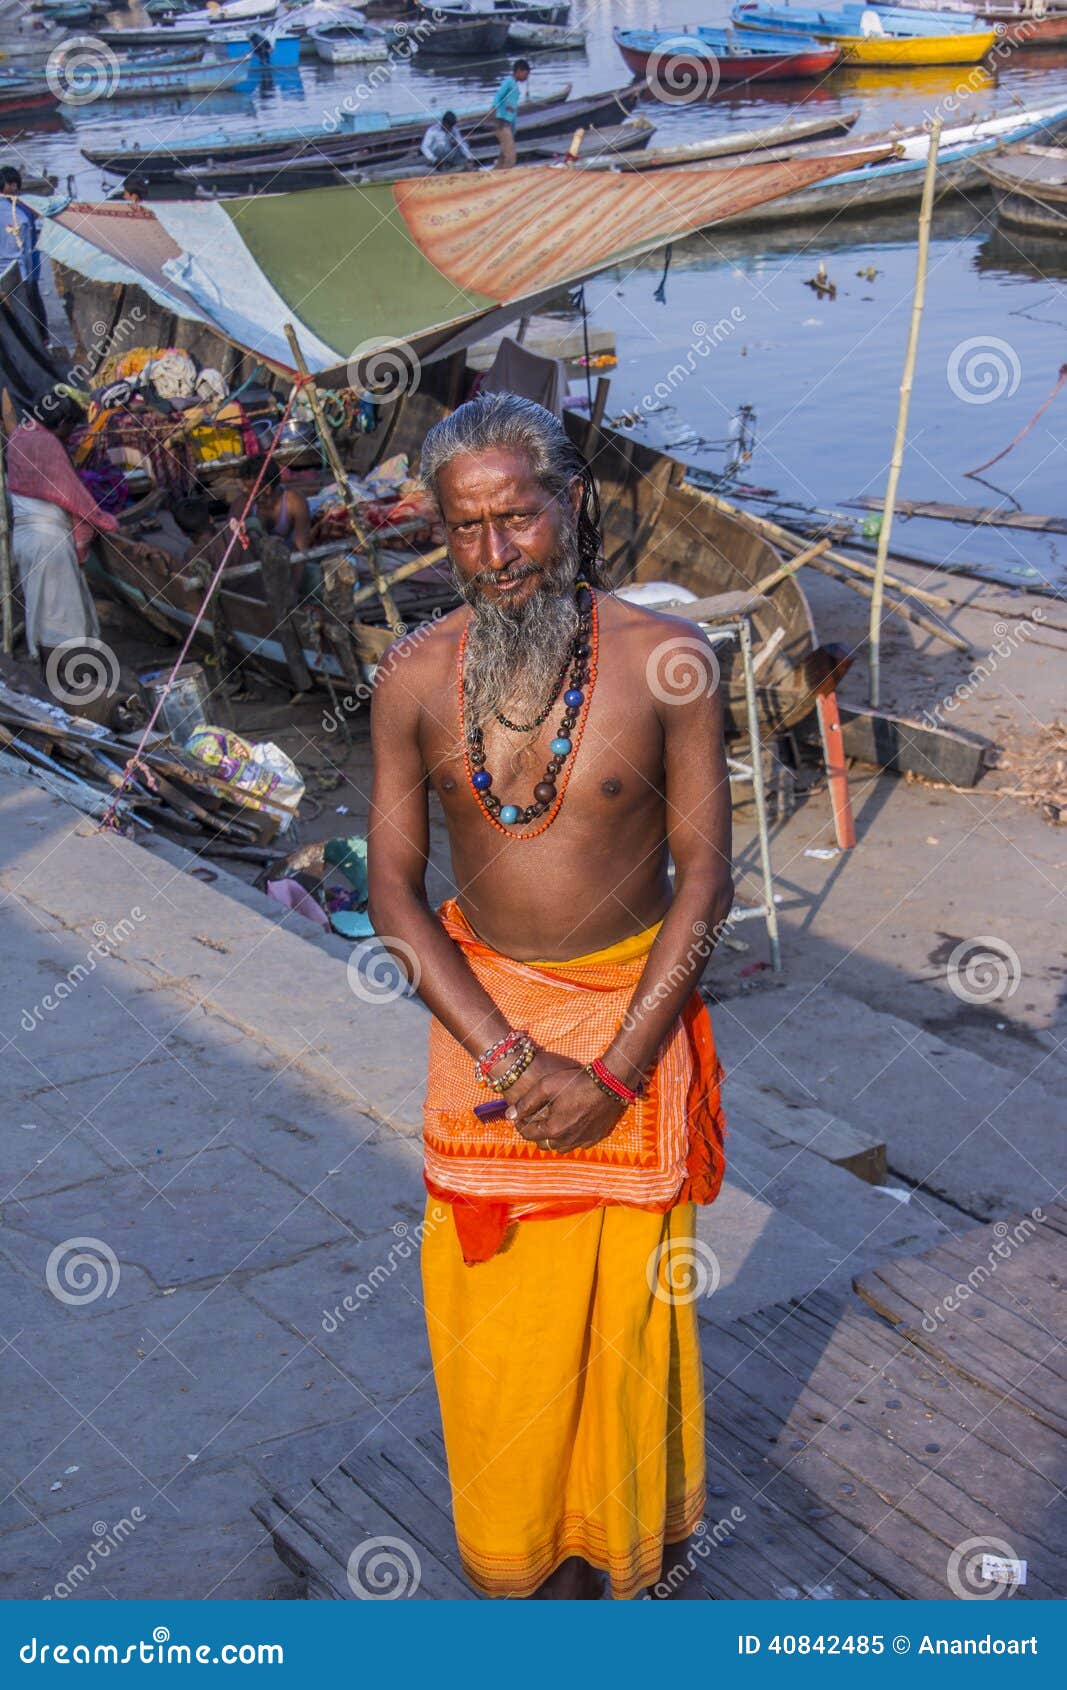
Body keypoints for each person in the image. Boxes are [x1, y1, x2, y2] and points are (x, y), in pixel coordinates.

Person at [367, 393, 732, 1600]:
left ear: (565, 507)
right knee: (499, 1347)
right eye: (465, 531)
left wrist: (617, 1070)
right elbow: (394, 900)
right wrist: (516, 1065)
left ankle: (621, 1570)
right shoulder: (414, 677)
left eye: (514, 521)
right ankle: (522, 1574)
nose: (493, 556)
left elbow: (704, 887)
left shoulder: (666, 660)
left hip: (630, 1028)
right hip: (485, 1042)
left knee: (622, 1340)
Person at [6, 400, 118, 681]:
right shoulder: (46, 445)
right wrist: (105, 521)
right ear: (62, 422)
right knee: (64, 615)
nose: (72, 435)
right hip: (48, 541)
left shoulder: (21, 434)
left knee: (42, 613)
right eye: (71, 427)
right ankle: (77, 685)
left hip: (25, 538)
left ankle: (51, 680)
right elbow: (74, 496)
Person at [0, 165, 47, 337]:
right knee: (24, 303)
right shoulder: (16, 207)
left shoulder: (22, 206)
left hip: (25, 264)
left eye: (16, 184)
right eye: (10, 184)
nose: (14, 188)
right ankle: (38, 338)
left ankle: (41, 338)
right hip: (17, 266)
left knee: (30, 300)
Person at [230, 459, 311, 555]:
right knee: (252, 523)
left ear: (267, 489)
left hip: (289, 559)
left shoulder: (295, 502)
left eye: (248, 487)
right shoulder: (241, 503)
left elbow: (302, 548)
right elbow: (232, 544)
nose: (243, 490)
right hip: (255, 561)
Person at [491, 59, 529, 170]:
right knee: (511, 158)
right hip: (501, 123)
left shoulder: (515, 88)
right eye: (525, 74)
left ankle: (494, 177)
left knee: (503, 156)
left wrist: (513, 129)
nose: (526, 78)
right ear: (518, 71)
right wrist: (494, 111)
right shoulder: (509, 83)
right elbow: (498, 96)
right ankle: (505, 178)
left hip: (508, 125)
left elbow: (513, 112)